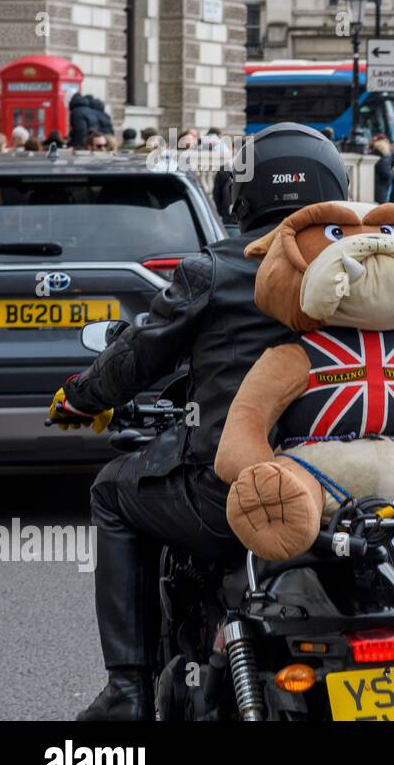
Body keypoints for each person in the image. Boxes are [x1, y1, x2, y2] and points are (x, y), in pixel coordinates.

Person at [47, 123, 350, 720]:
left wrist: (81, 397)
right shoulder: (372, 260)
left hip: (238, 491)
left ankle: (127, 691)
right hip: (356, 495)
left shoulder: (218, 267)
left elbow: (138, 355)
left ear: (243, 196)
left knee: (112, 491)